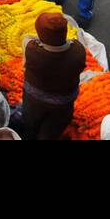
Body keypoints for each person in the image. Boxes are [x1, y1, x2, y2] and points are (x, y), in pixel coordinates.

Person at [20, 12, 87, 140]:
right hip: (63, 106)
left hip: (34, 103)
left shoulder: (32, 51)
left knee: (29, 129)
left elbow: (27, 38)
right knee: (50, 134)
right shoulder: (78, 51)